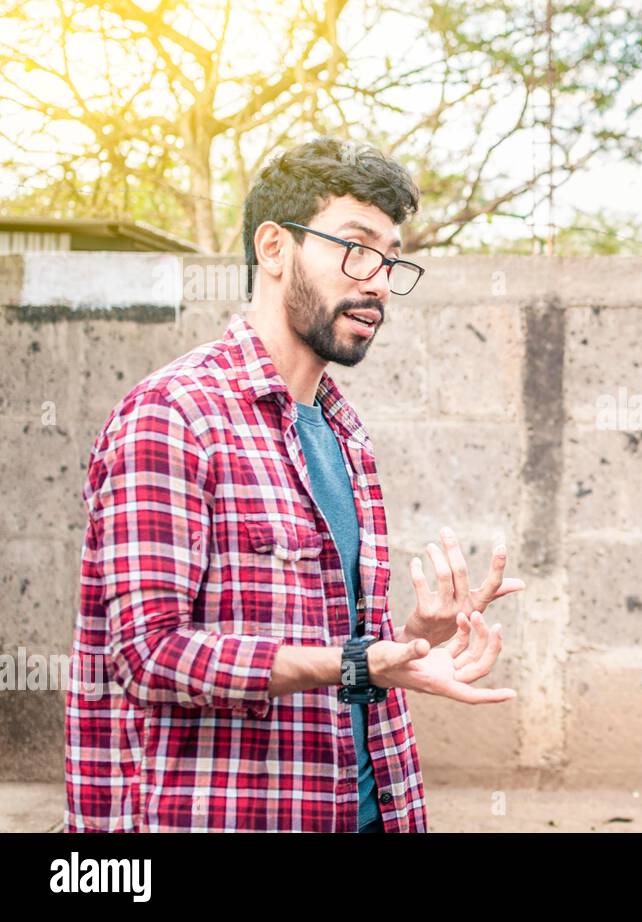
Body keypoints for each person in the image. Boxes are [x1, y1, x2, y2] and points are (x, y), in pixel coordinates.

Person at [64, 137, 522, 832]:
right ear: (274, 248)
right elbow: (147, 654)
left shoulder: (344, 432)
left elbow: (339, 655)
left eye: (391, 258)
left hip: (372, 809)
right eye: (356, 247)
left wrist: (409, 642)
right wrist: (358, 662)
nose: (376, 280)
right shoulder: (175, 415)